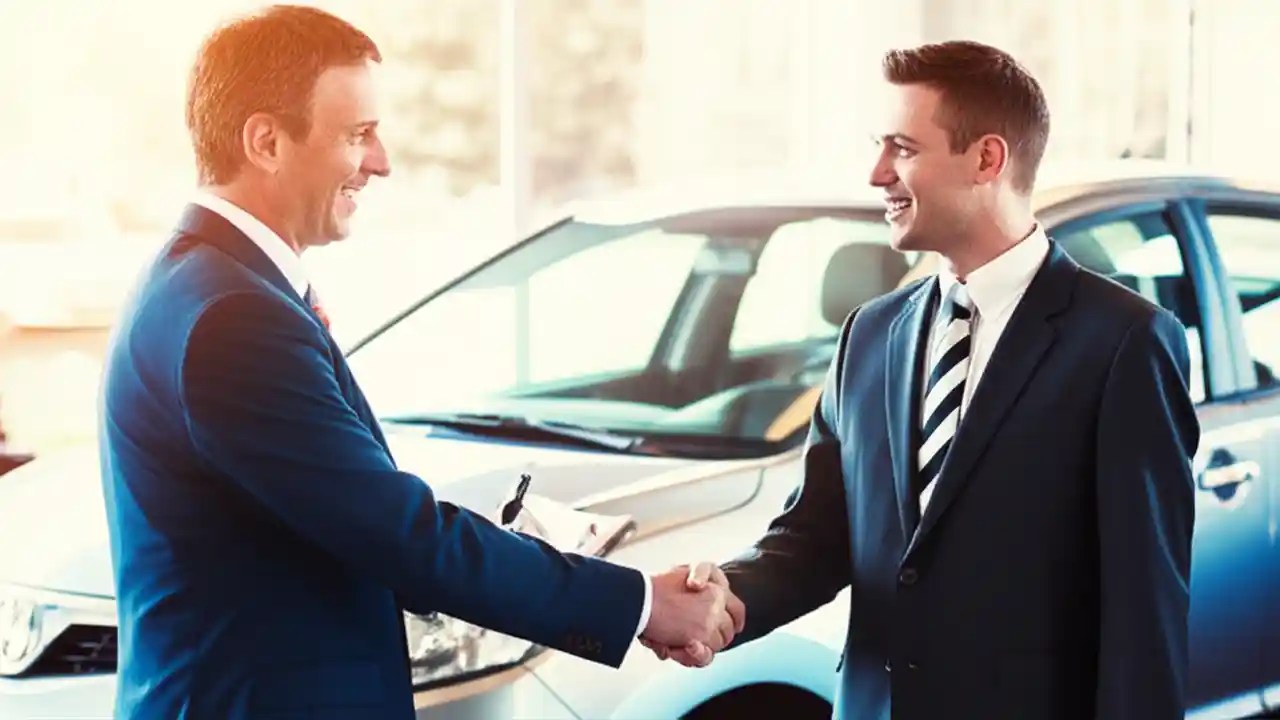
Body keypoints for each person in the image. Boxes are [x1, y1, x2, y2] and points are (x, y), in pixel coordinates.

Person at [97, 6, 740, 719]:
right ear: (266, 140)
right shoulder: (232, 317)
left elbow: (337, 514)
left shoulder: (205, 284)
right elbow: (397, 535)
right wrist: (642, 604)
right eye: (359, 134)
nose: (381, 161)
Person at [643, 40, 1199, 720]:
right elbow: (815, 540)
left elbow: (1145, 619)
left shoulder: (1124, 344)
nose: (877, 172)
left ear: (986, 159)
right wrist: (722, 595)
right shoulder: (870, 335)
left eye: (902, 148)